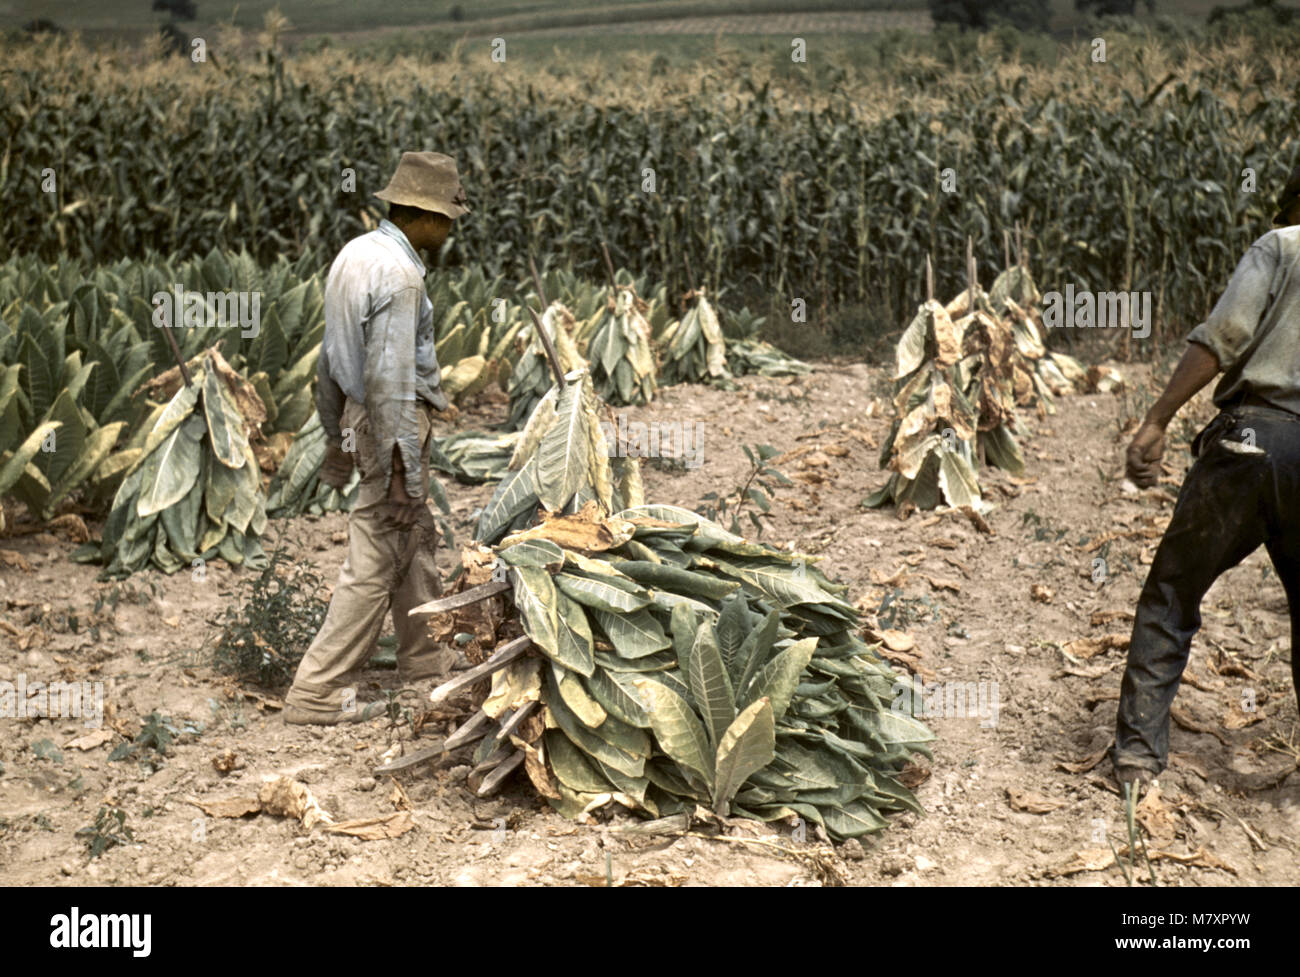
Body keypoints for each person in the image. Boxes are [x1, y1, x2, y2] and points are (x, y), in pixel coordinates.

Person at [1113, 164, 1300, 785]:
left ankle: (1139, 758)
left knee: (1173, 593)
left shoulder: (1281, 246)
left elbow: (1222, 337)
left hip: (1252, 440)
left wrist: (1157, 420)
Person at [283, 152, 470, 725]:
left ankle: (423, 660)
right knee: (376, 552)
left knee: (415, 537)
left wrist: (333, 438)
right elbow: (388, 380)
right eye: (447, 217)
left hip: (367, 421)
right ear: (425, 216)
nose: (450, 229)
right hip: (392, 426)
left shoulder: (356, 254)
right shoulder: (401, 274)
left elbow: (329, 357)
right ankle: (317, 692)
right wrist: (402, 468)